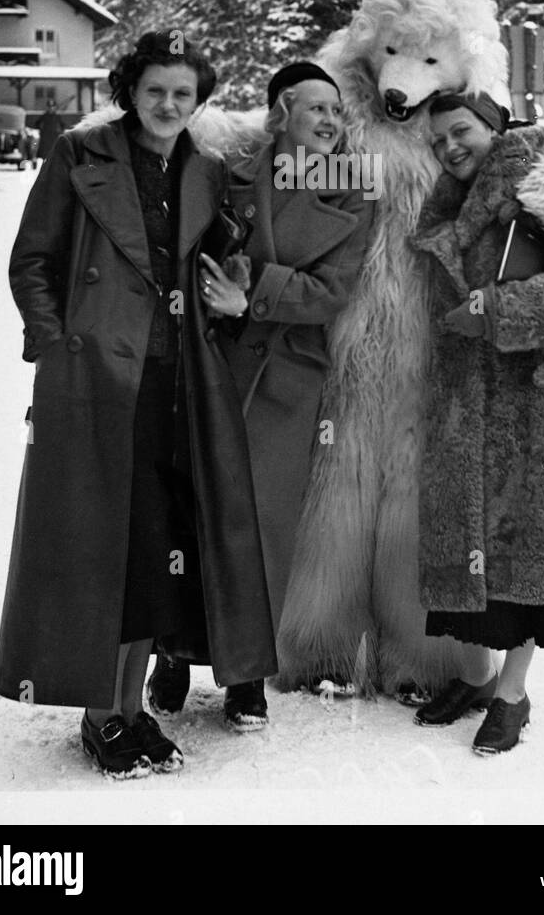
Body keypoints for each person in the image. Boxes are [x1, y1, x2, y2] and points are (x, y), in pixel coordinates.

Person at [0, 29, 277, 778]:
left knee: (155, 548)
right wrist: (55, 346)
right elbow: (32, 261)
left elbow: (226, 255)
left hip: (177, 383)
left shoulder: (207, 171)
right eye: (155, 89)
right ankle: (100, 714)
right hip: (95, 381)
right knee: (99, 546)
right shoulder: (79, 156)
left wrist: (232, 289)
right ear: (130, 89)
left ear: (199, 101)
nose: (168, 104)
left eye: (183, 93)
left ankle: (128, 706)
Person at [148, 61, 375, 728]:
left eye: (337, 112)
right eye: (317, 109)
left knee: (264, 529)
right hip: (214, 366)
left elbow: (336, 291)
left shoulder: (353, 195)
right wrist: (215, 303)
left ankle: (247, 671)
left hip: (286, 377)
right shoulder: (229, 176)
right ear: (281, 111)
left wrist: (255, 294)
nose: (331, 122)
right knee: (189, 512)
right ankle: (173, 651)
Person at [411, 89, 544, 755]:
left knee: (530, 558)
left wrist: (497, 311)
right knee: (460, 551)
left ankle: (511, 694)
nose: (450, 147)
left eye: (460, 131)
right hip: (459, 403)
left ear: (494, 124)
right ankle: (476, 679)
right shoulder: (446, 201)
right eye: (439, 139)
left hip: (531, 405)